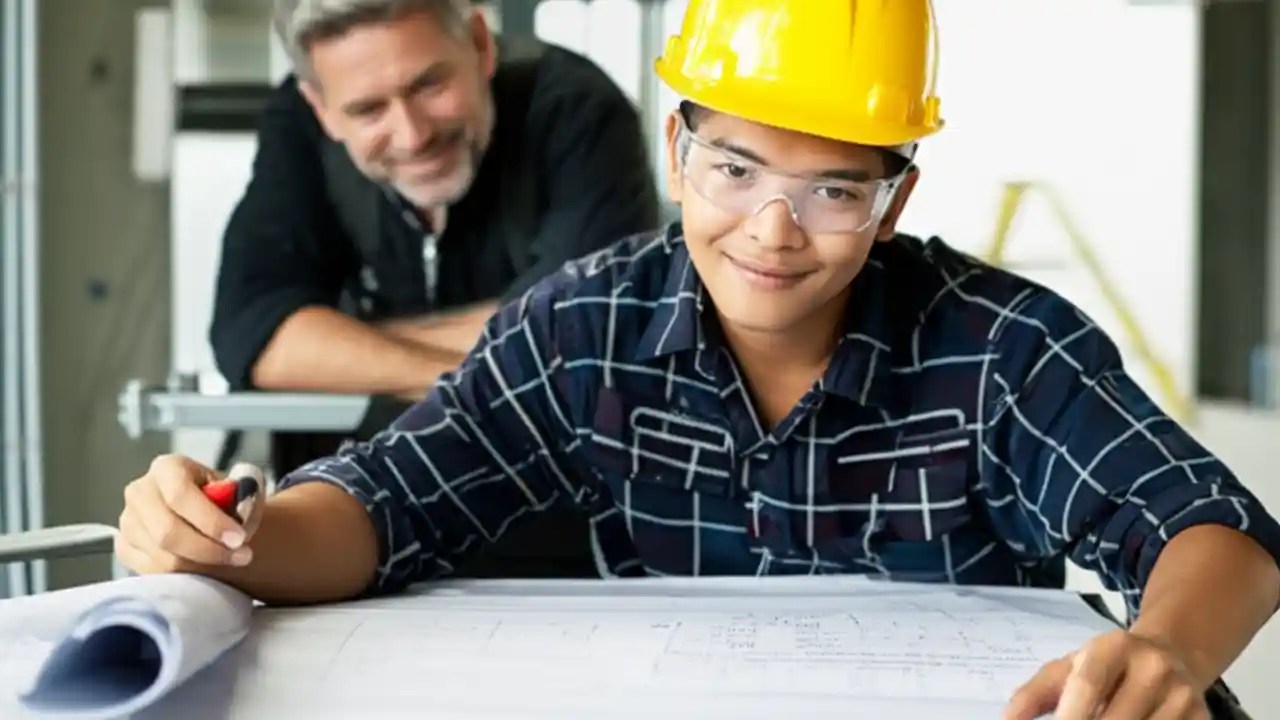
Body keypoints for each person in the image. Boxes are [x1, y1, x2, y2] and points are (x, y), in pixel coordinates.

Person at [120, 1, 1280, 718]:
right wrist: (236, 538)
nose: (773, 232)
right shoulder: (582, 330)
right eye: (733, 172)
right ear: (676, 152)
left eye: (832, 189)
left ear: (894, 200)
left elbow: (1207, 524)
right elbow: (384, 505)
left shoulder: (1001, 348)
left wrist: (1166, 648)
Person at [207, 0, 660, 576]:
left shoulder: (576, 108)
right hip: (353, 534)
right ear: (322, 110)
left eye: (429, 84)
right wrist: (510, 377)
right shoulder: (296, 127)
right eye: (368, 110)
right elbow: (253, 334)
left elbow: (583, 328)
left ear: (480, 45)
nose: (413, 134)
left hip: (559, 546)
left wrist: (345, 339)